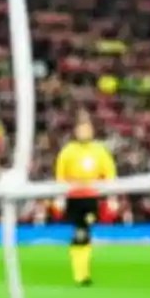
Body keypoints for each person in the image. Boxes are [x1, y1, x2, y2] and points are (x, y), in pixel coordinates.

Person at [54, 111, 117, 286]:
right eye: (81, 129)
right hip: (74, 198)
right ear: (76, 131)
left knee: (85, 233)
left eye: (87, 128)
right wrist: (59, 198)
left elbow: (110, 174)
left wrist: (112, 197)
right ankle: (80, 274)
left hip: (91, 197)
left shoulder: (99, 151)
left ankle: (83, 272)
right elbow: (60, 175)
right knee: (80, 232)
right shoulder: (68, 151)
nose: (84, 132)